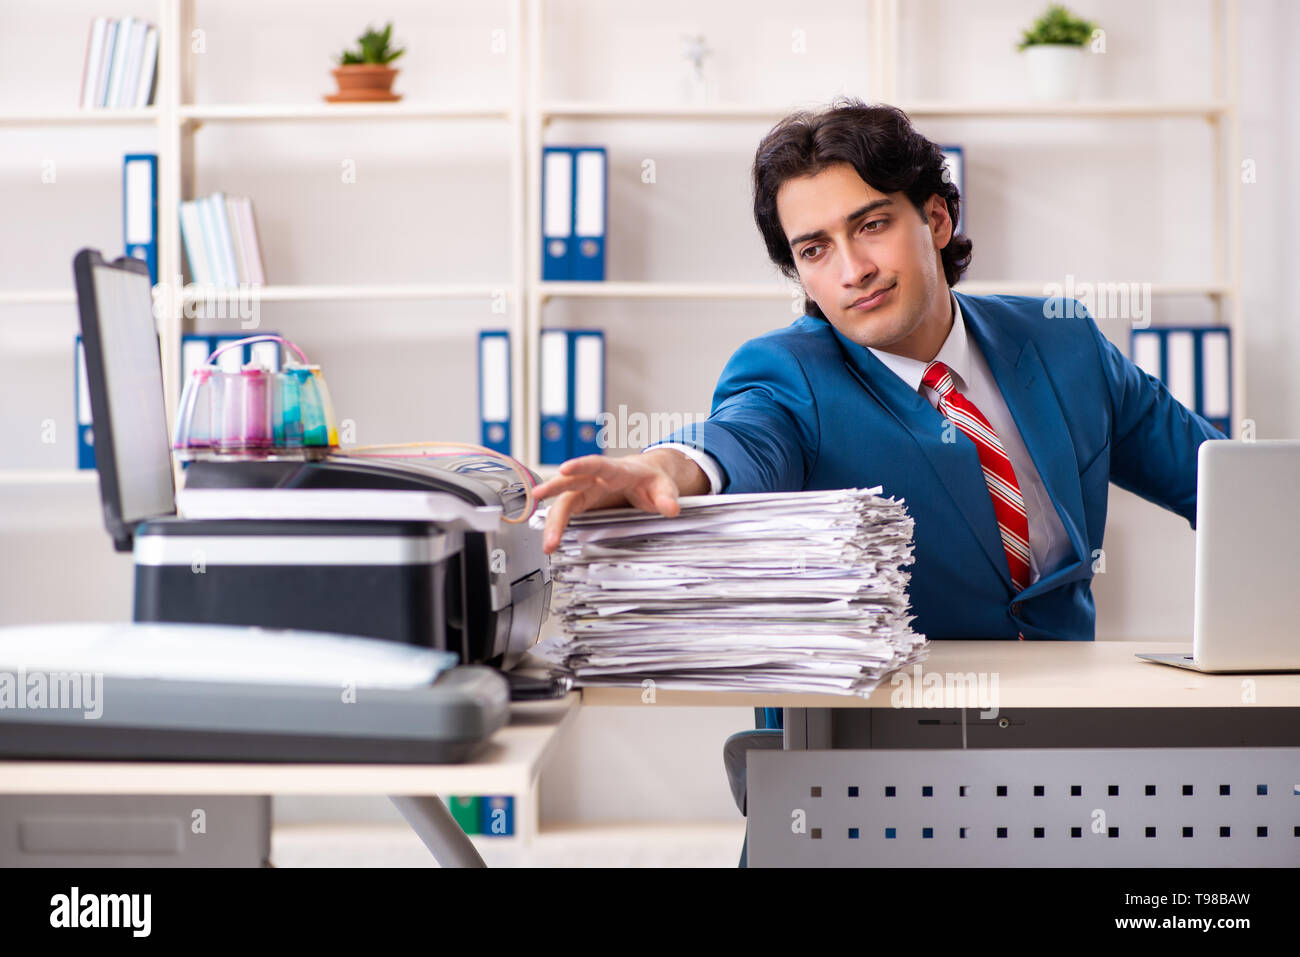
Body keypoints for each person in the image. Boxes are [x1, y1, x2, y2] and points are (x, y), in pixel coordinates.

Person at [530, 97, 1225, 863]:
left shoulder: (1063, 342)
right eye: (815, 249)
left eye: (870, 225)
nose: (851, 270)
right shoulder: (789, 374)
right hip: (861, 790)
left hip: (1059, 770)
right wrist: (663, 466)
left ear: (936, 218)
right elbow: (738, 440)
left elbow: (1221, 483)